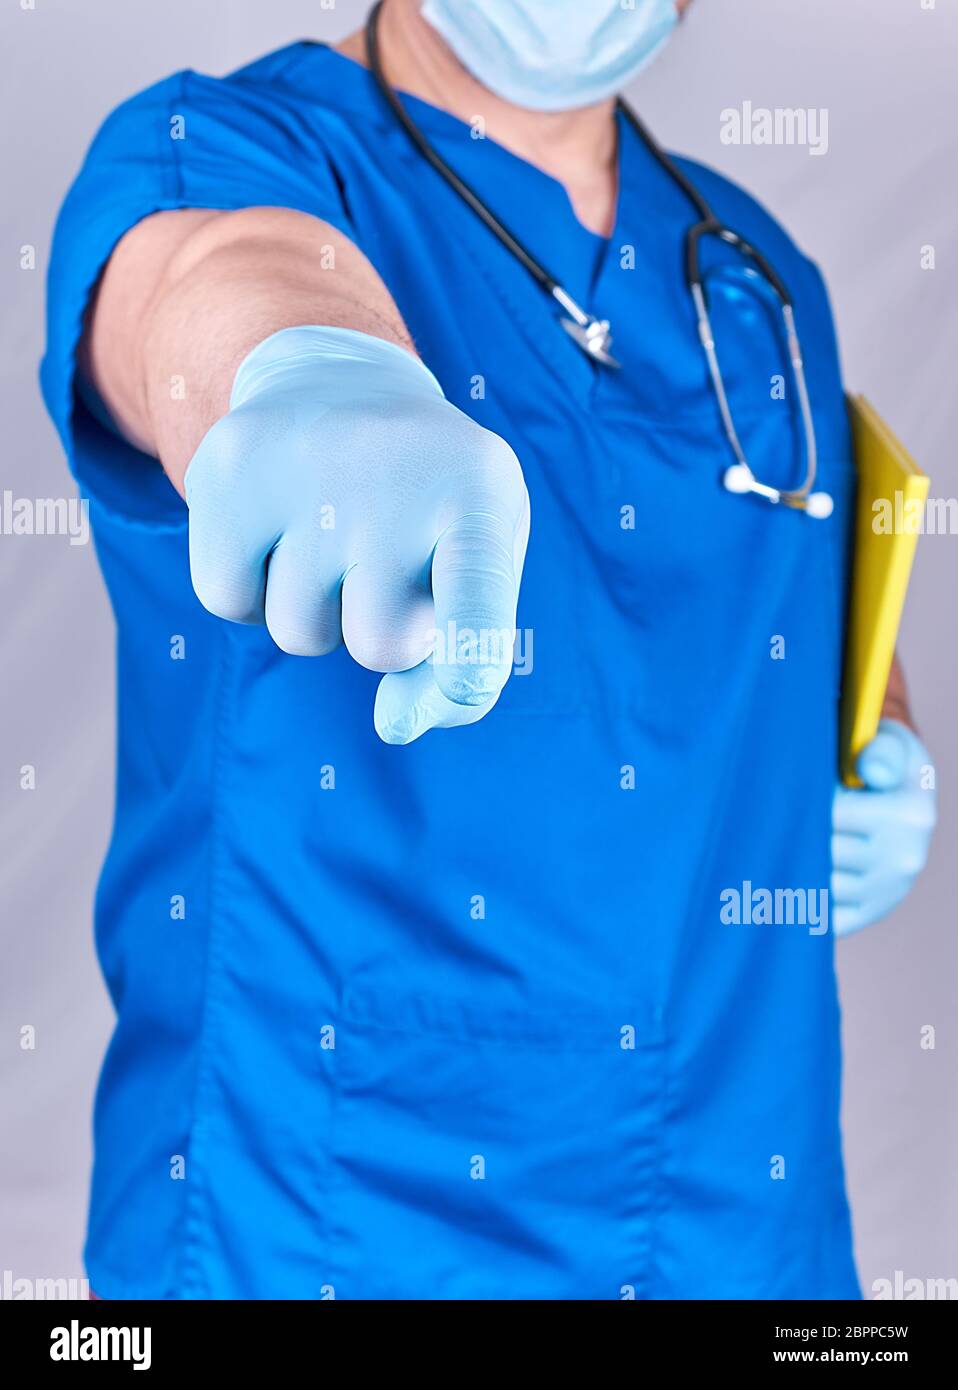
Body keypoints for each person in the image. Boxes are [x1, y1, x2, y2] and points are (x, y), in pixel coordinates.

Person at [41, 0, 935, 1300]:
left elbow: (799, 590)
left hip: (735, 1190)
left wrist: (883, 738)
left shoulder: (755, 275)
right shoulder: (236, 147)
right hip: (329, 1195)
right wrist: (307, 365)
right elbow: (213, 275)